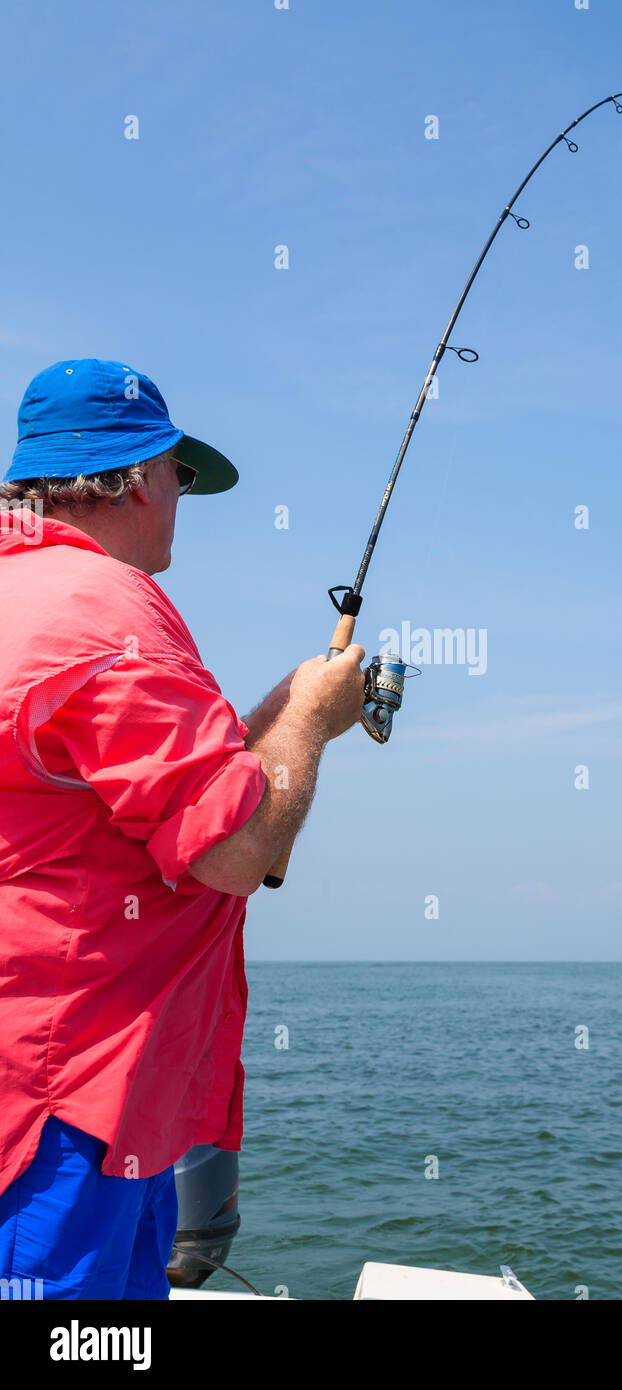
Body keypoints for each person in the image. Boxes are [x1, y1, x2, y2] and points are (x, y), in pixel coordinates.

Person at [0, 358, 364, 1299]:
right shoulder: (105, 614)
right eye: (180, 474)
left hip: (67, 1089)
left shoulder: (27, 598)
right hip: (68, 1100)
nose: (182, 496)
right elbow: (234, 853)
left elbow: (158, 803)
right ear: (131, 477)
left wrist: (283, 712)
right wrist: (316, 721)